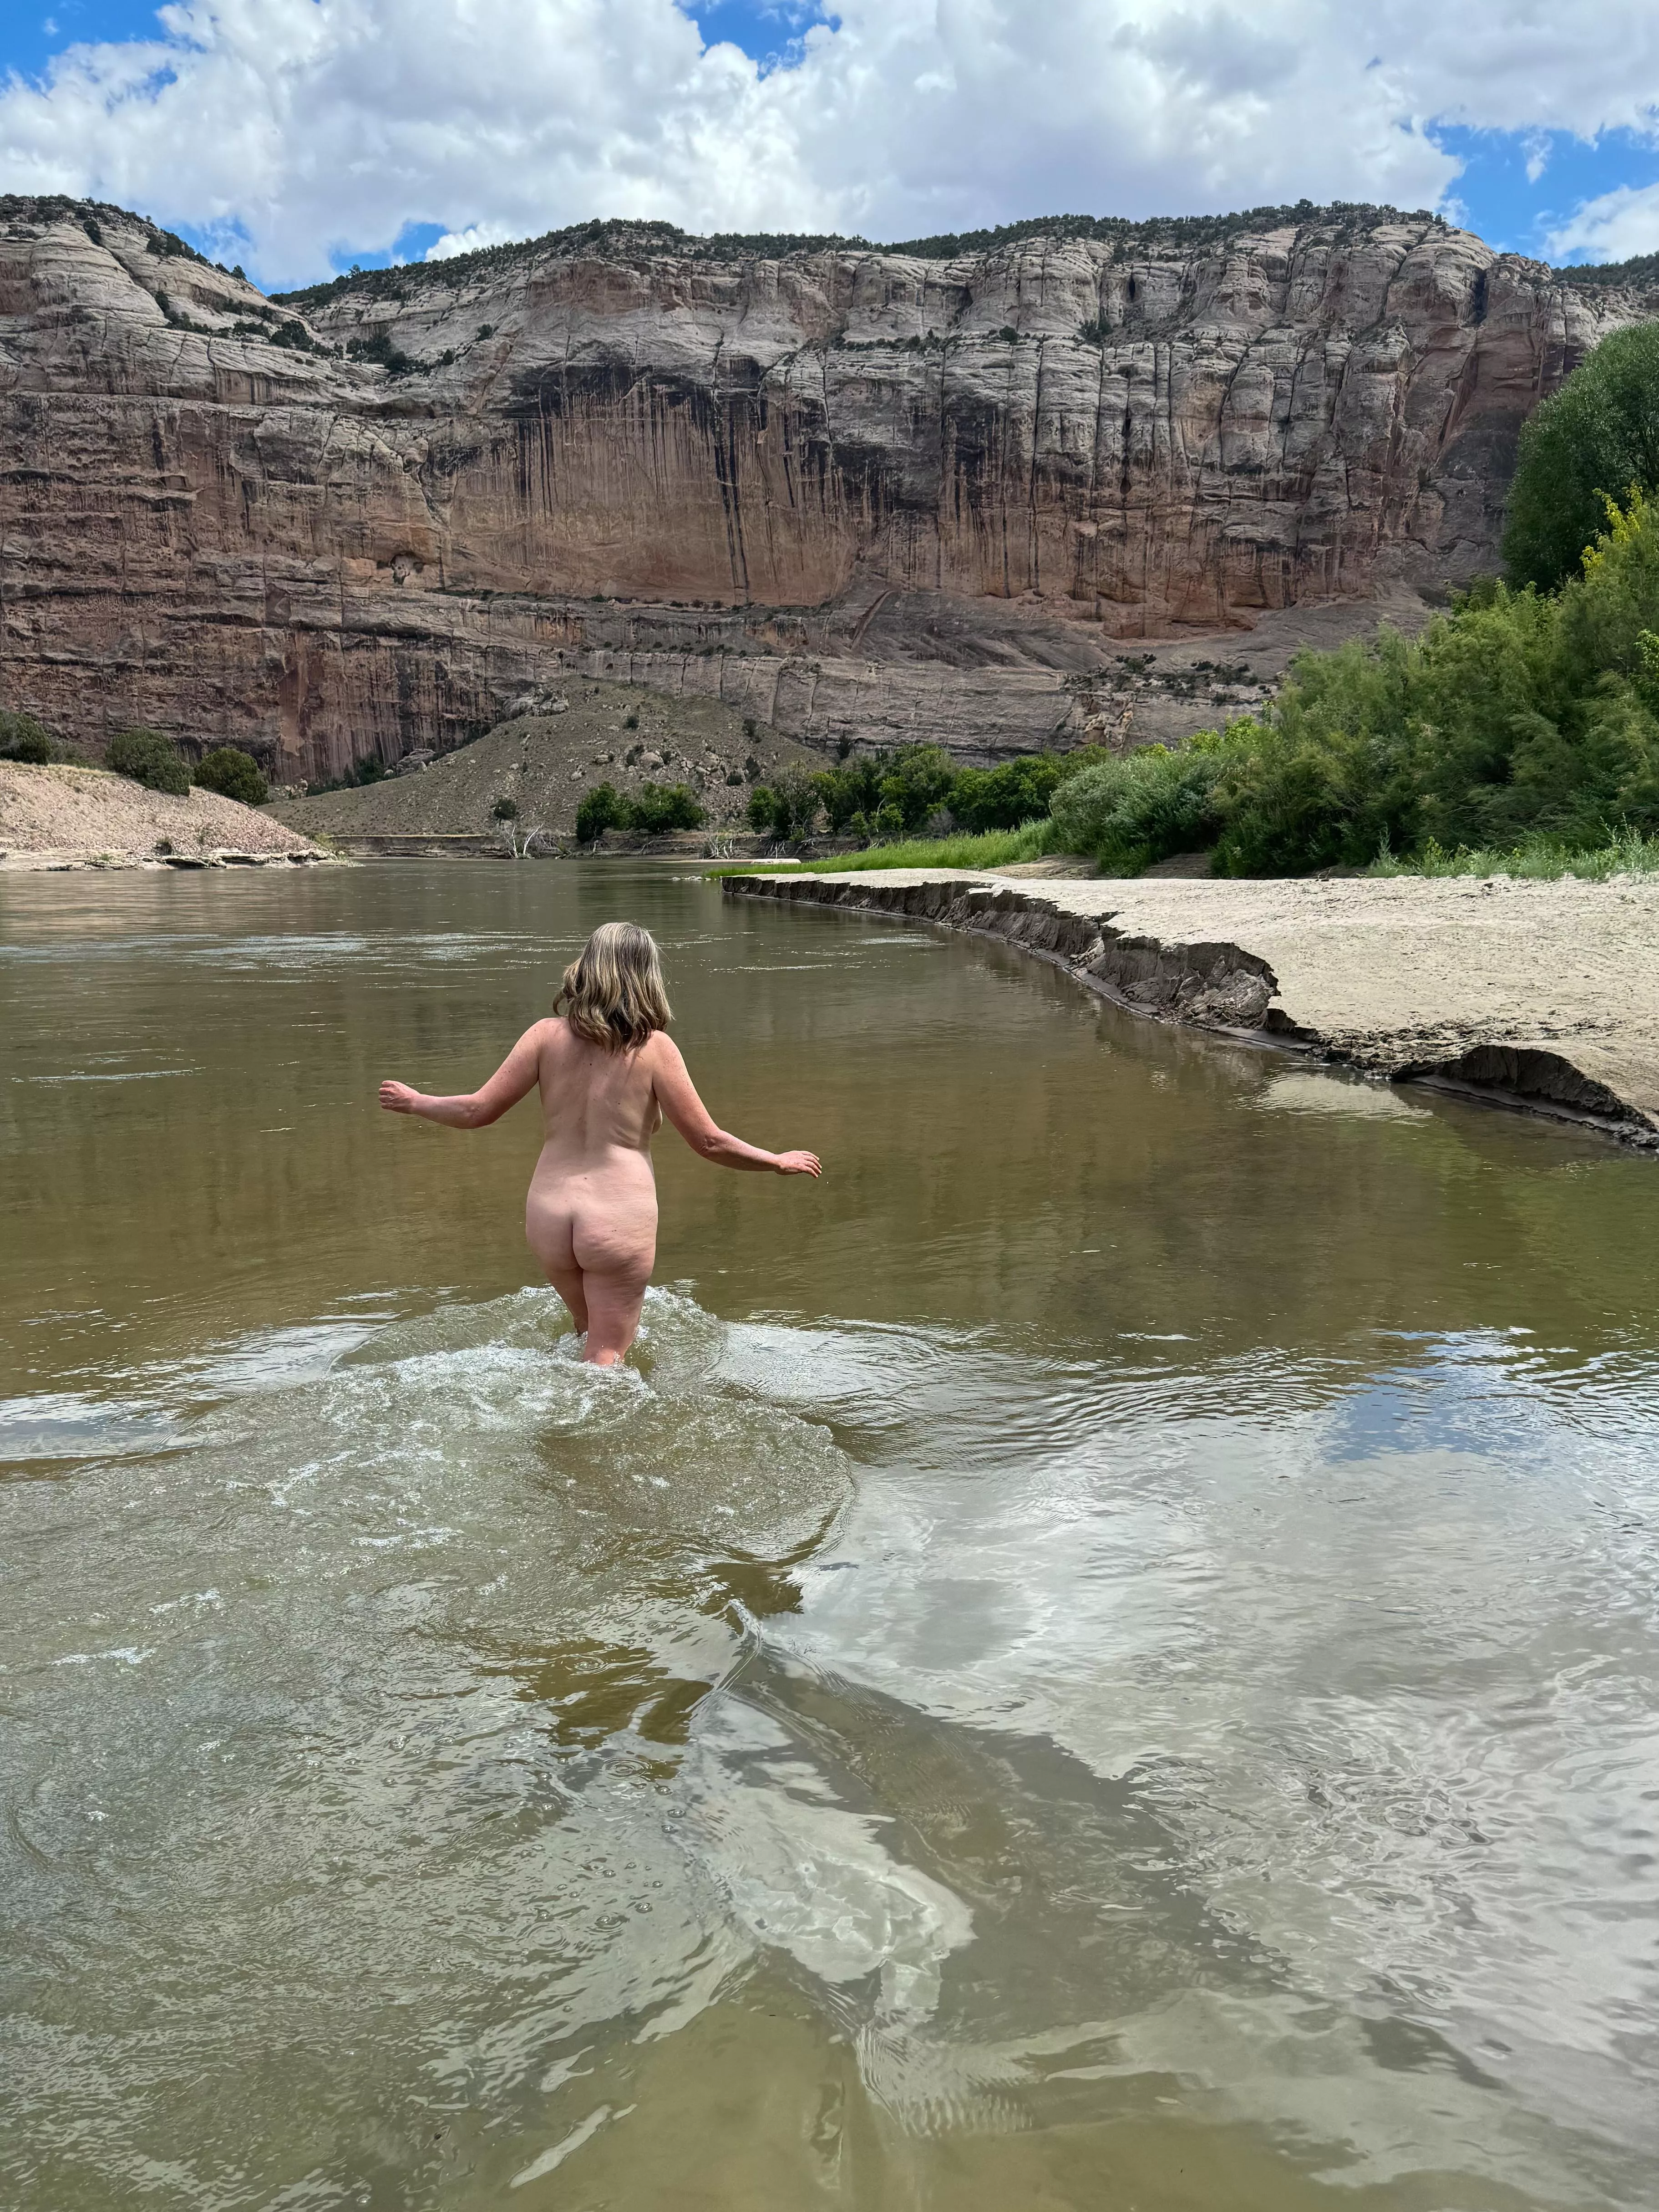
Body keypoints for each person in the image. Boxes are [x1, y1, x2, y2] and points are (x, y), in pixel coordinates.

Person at [378, 920, 821, 1365]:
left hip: (549, 1216)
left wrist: (418, 1101)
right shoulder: (654, 1049)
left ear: (588, 967)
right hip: (615, 1217)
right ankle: (583, 1433)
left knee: (589, 1331)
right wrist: (775, 1160)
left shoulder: (544, 1036)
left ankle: (568, 1409)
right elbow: (708, 1141)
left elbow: (477, 1111)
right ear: (647, 977)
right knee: (606, 1358)